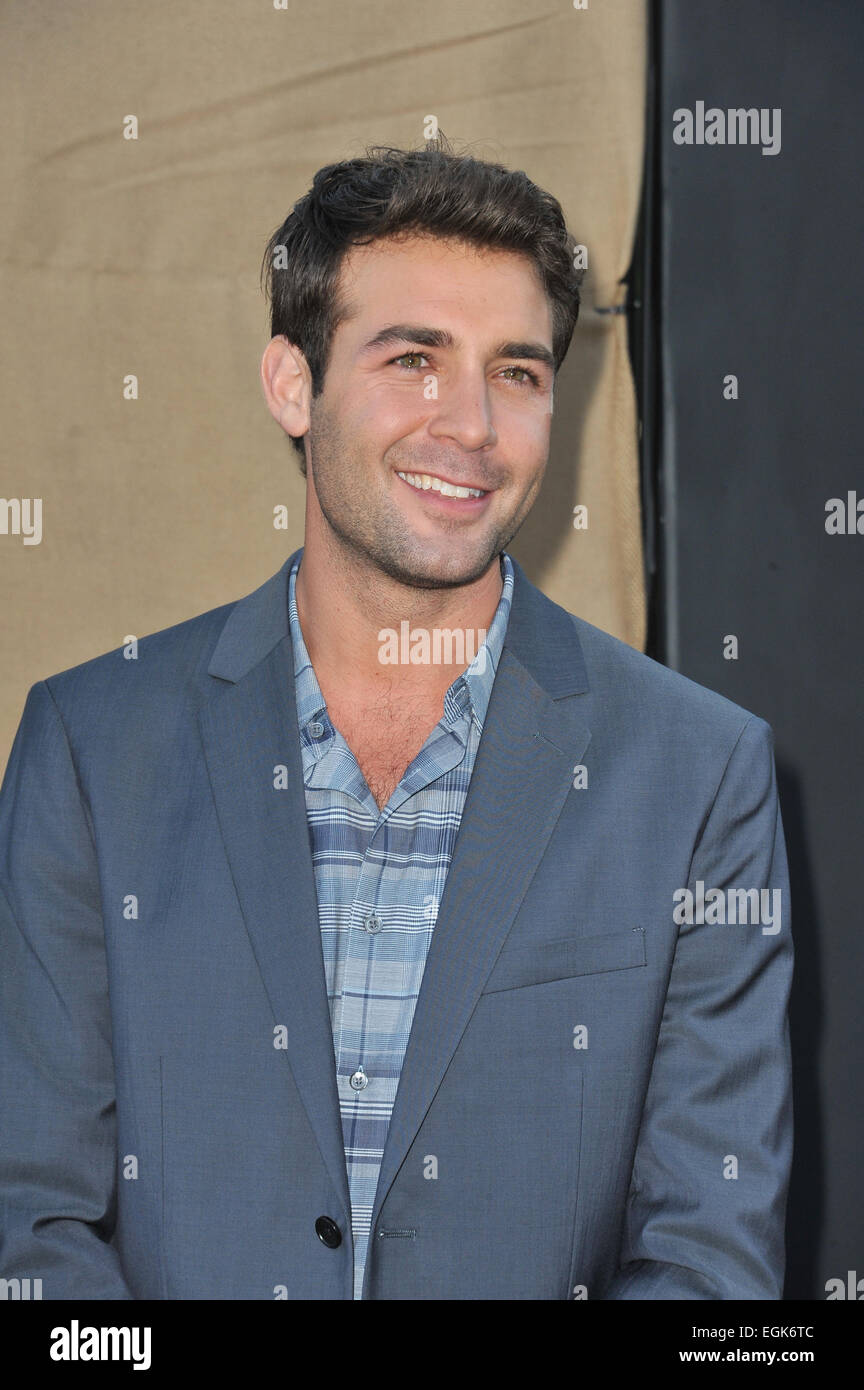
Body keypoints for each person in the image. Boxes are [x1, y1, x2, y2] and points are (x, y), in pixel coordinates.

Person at [0, 137, 792, 1300]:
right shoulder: (88, 747)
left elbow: (709, 1264)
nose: (469, 422)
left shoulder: (699, 773)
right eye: (413, 357)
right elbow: (30, 1219)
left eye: (517, 371)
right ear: (291, 382)